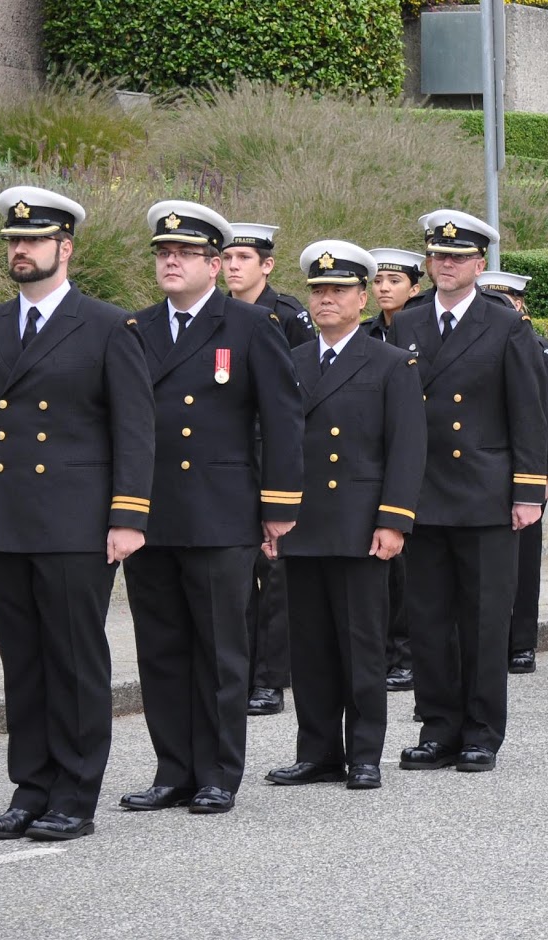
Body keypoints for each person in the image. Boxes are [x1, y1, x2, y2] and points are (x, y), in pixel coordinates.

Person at [0, 187, 154, 842]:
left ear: (64, 248)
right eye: (14, 241)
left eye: (34, 241)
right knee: (23, 662)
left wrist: (128, 516)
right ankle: (30, 788)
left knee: (73, 659)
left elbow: (135, 428)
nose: (21, 250)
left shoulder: (107, 325)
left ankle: (75, 794)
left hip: (78, 522)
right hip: (9, 518)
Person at [120, 200, 302, 817]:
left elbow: (282, 418)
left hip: (222, 512)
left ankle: (219, 772)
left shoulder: (248, 326)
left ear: (214, 263)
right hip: (151, 512)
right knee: (161, 648)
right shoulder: (137, 329)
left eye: (187, 253)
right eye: (164, 253)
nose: (172, 262)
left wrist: (278, 505)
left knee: (222, 648)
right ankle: (174, 769)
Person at [264, 241, 425, 793]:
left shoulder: (390, 362)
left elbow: (406, 448)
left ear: (362, 297)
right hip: (302, 523)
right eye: (318, 290)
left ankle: (363, 753)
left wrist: (394, 520)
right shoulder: (293, 360)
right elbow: (272, 442)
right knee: (308, 647)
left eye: (338, 290)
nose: (326, 299)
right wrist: (270, 514)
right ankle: (316, 752)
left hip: (359, 524)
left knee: (361, 644)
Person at [390, 210, 548, 773]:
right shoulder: (406, 325)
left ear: (480, 264)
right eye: (438, 256)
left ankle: (481, 731)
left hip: (485, 494)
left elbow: (529, 413)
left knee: (483, 620)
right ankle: (437, 726)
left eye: (458, 257)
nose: (447, 265)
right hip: (424, 494)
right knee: (429, 618)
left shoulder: (504, 325)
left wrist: (528, 491)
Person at [224, 223, 313, 719]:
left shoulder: (289, 316)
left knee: (275, 575)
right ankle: (246, 670)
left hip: (274, 456)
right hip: (235, 460)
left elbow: (296, 399)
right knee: (239, 580)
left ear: (267, 265)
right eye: (228, 256)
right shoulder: (219, 316)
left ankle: (272, 680)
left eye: (244, 256)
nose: (234, 265)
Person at [477, 271, 548, 676]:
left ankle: (522, 641)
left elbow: (544, 413)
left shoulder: (535, 346)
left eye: (507, 298)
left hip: (524, 471)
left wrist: (545, 470)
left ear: (520, 303)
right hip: (482, 473)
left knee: (524, 562)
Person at [361, 248, 425, 694]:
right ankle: (382, 650)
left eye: (394, 281)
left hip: (410, 458)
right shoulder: (366, 334)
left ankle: (405, 653)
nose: (384, 288)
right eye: (379, 280)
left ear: (414, 289)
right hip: (368, 460)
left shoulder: (421, 330)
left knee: (405, 569)